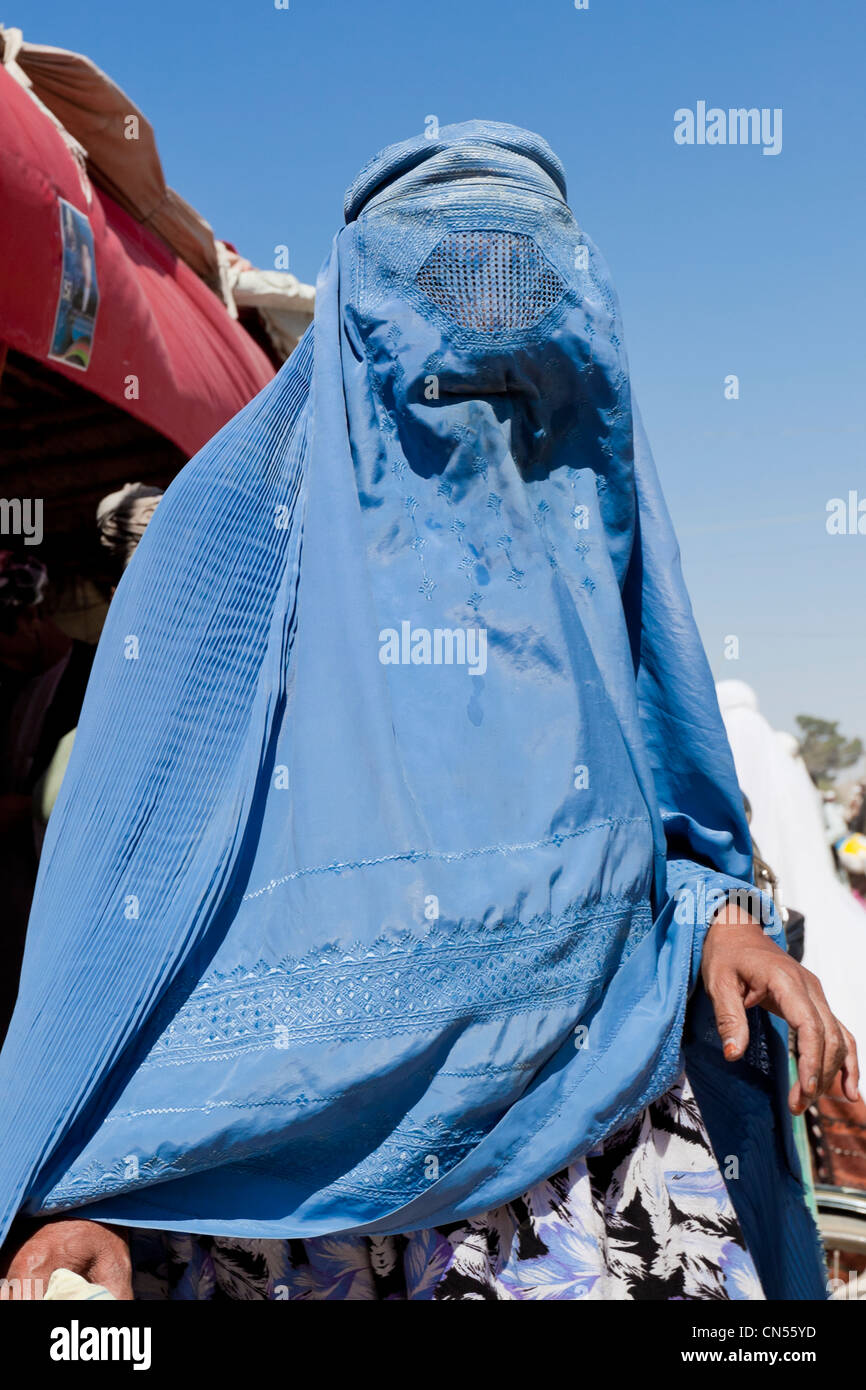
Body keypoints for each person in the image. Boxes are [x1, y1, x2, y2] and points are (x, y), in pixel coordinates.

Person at [0, 123, 857, 1302]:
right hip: (285, 1222)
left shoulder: (583, 518)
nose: (495, 393)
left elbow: (668, 798)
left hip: (599, 1171)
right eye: (443, 335)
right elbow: (123, 924)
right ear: (356, 332)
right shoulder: (230, 552)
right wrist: (84, 1195)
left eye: (540, 354)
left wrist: (717, 918)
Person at [0, 552, 95, 1037]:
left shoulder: (94, 681)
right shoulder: (13, 688)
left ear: (31, 615)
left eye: (5, 637)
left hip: (65, 894)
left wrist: (22, 810)